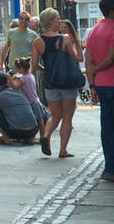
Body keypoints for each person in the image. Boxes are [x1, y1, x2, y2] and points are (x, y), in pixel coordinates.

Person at [85, 0, 114, 182]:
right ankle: (113, 169)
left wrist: (93, 83)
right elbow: (112, 58)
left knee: (107, 127)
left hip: (102, 84)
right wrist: (96, 70)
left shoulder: (95, 30)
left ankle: (112, 165)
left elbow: (88, 60)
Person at [32, 8, 82, 159]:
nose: (60, 21)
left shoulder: (37, 41)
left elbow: (34, 65)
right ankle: (62, 150)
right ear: (51, 21)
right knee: (67, 117)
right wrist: (77, 44)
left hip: (50, 82)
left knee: (55, 115)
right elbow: (77, 58)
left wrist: (47, 69)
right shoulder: (65, 39)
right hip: (67, 81)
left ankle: (46, 135)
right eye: (57, 18)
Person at [0, 72, 39, 145]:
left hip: (16, 132)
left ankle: (6, 139)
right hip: (33, 130)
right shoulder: (19, 91)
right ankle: (30, 138)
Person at [7, 58, 50, 130]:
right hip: (35, 100)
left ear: (21, 69)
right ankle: (43, 136)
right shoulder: (30, 75)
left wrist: (9, 78)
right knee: (40, 120)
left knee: (39, 121)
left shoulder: (23, 79)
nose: (16, 70)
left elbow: (15, 86)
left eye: (17, 69)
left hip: (31, 102)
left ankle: (43, 136)